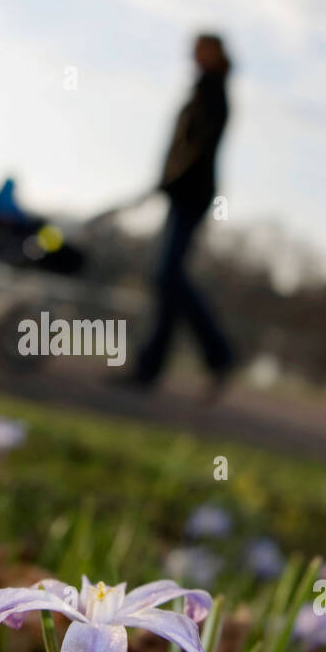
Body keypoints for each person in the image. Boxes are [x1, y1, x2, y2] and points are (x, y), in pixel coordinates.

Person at [134, 33, 235, 387]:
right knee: (167, 279)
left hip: (191, 193)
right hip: (182, 191)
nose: (192, 55)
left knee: (168, 276)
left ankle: (218, 353)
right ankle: (151, 366)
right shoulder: (204, 88)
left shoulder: (213, 90)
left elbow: (198, 147)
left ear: (213, 52)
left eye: (198, 49)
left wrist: (172, 179)